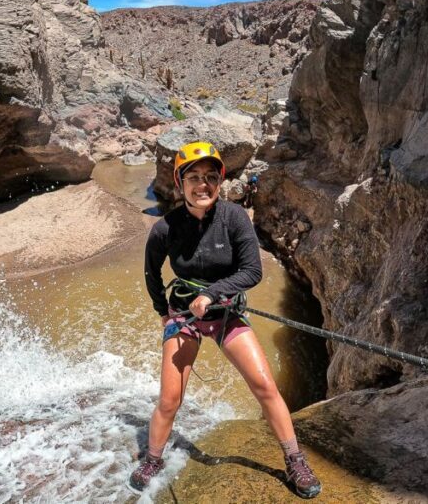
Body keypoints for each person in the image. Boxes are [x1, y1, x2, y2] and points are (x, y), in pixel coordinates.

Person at [128, 141, 321, 498]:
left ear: (220, 182)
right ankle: (153, 456)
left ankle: (295, 459)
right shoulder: (165, 229)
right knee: (170, 399)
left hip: (226, 313)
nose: (203, 185)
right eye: (194, 177)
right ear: (179, 182)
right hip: (185, 316)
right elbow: (151, 275)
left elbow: (252, 271)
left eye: (211, 177)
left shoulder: (234, 218)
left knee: (264, 386)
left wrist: (213, 294)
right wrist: (162, 313)